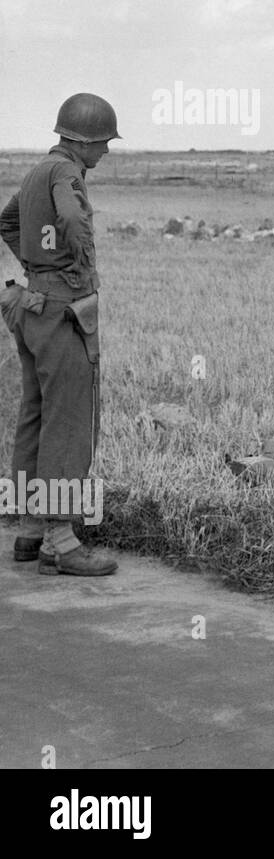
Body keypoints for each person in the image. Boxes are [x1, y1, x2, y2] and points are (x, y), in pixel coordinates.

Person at [0, 93, 120, 575]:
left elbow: (6, 220)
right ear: (84, 140)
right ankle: (61, 539)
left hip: (31, 306)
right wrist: (80, 270)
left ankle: (29, 529)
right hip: (62, 310)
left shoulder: (35, 172)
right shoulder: (66, 173)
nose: (107, 152)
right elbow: (72, 219)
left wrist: (33, 263)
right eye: (105, 142)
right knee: (70, 420)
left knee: (37, 413)